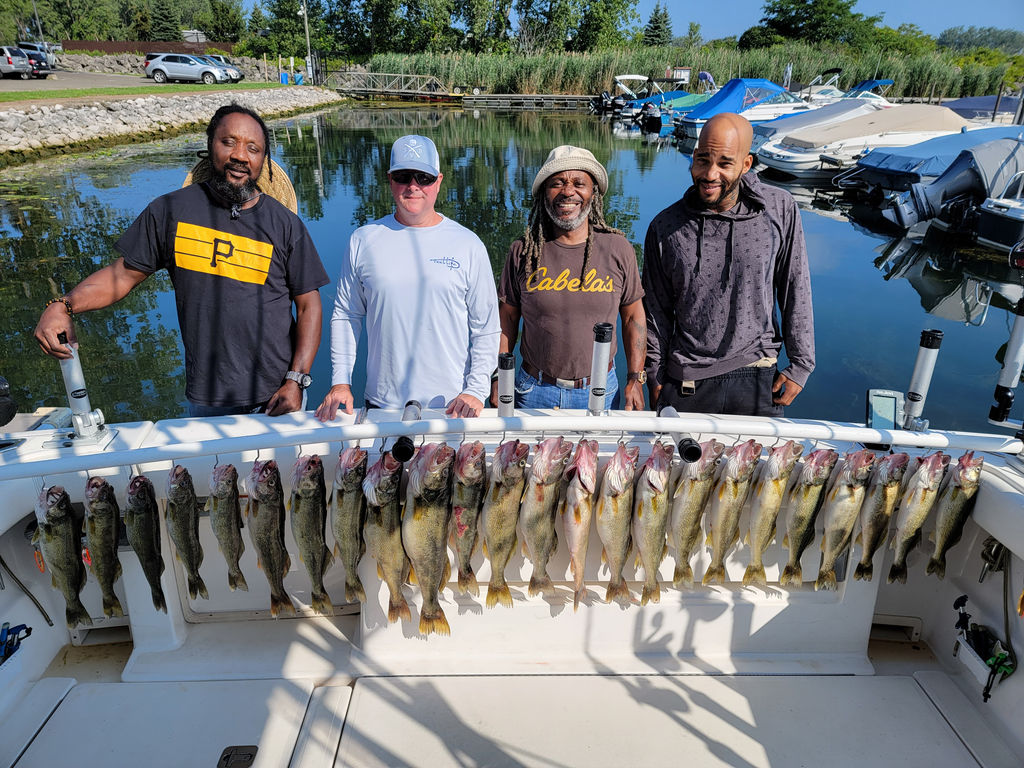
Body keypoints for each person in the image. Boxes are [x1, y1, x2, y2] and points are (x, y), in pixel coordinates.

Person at [34, 103, 329, 417]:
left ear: (262, 161)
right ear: (209, 145)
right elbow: (121, 276)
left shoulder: (285, 225)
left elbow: (309, 305)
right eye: (228, 142)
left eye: (253, 148)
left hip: (278, 395)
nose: (240, 156)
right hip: (208, 400)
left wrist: (297, 379)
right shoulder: (171, 212)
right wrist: (63, 305)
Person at [315, 135, 499, 420]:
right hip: (382, 408)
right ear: (390, 180)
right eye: (403, 176)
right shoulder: (363, 240)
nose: (413, 186)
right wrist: (341, 381)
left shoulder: (468, 244)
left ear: (438, 181)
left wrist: (476, 390)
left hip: (452, 408)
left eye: (423, 177)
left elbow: (486, 328)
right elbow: (346, 315)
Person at [642, 112, 814, 416]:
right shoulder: (665, 226)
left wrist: (801, 363)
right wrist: (654, 375)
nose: (710, 174)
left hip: (759, 375)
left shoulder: (779, 209)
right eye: (703, 160)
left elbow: (795, 286)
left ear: (746, 164)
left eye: (724, 163)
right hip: (687, 380)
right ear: (693, 157)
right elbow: (655, 312)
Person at [494, 145, 646, 410]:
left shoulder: (618, 249)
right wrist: (499, 377)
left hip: (601, 391)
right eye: (557, 183)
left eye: (579, 183)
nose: (568, 191)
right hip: (533, 389)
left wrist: (635, 377)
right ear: (544, 193)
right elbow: (506, 319)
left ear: (593, 192)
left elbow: (634, 317)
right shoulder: (523, 251)